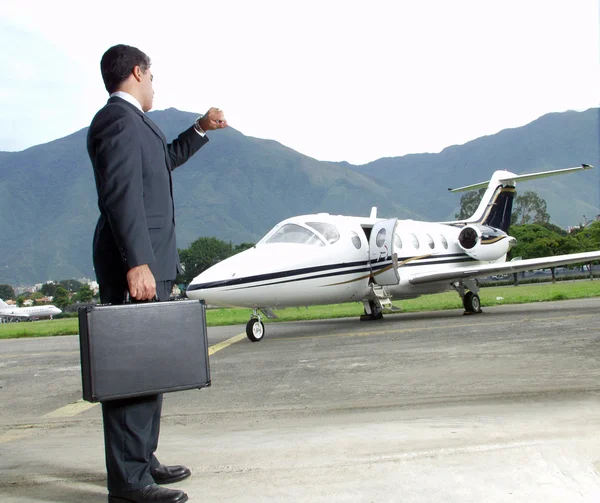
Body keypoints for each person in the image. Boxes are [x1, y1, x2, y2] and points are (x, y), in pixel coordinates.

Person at [87, 44, 227, 503]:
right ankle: (128, 484)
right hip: (138, 262)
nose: (154, 83)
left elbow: (161, 161)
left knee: (148, 365)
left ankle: (141, 461)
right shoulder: (116, 121)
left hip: (150, 260)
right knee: (130, 370)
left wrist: (200, 129)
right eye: (152, 74)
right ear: (136, 72)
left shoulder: (133, 123)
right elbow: (122, 194)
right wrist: (137, 262)